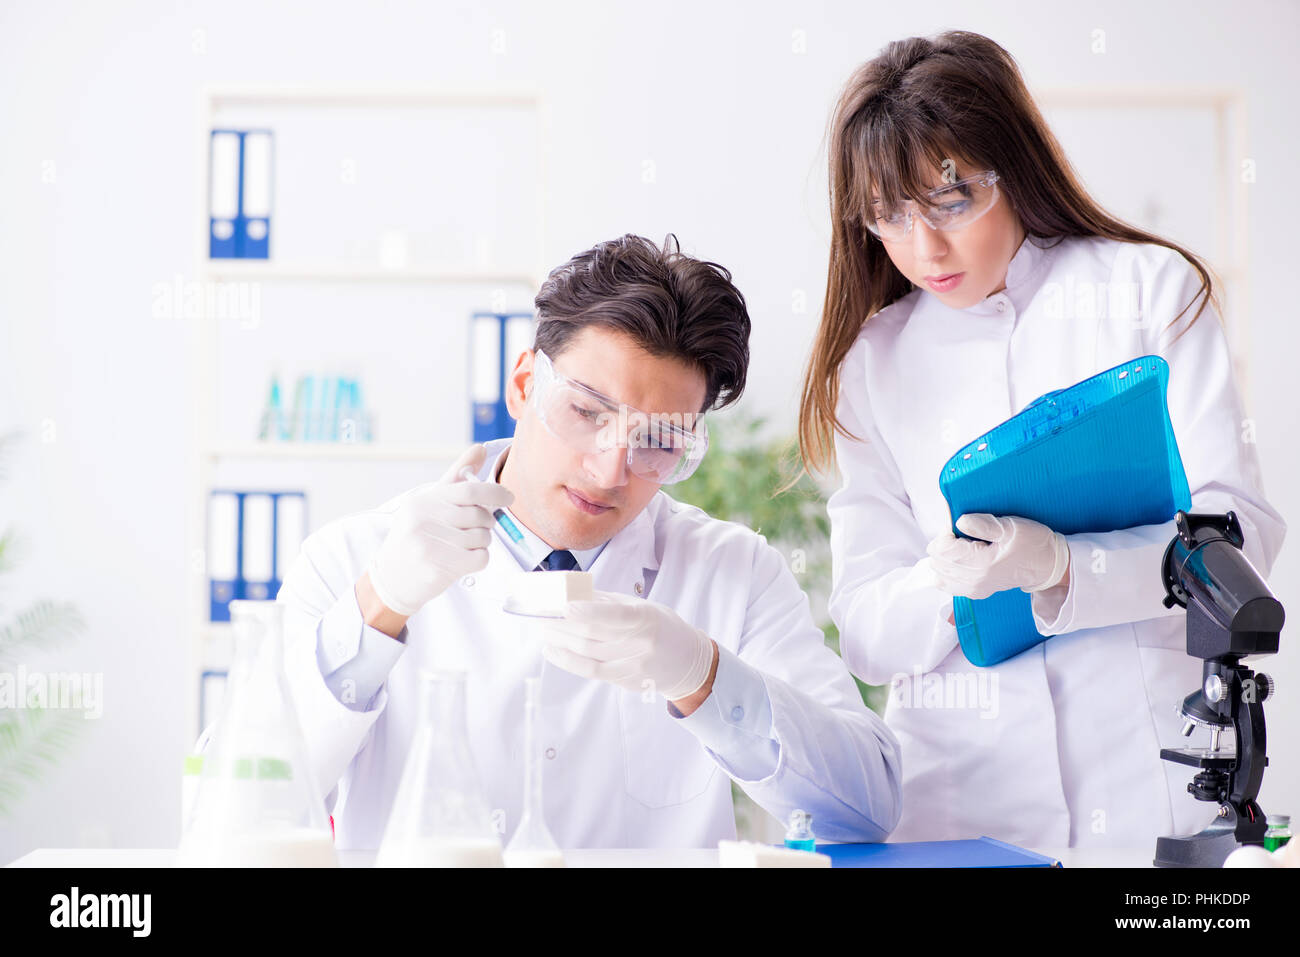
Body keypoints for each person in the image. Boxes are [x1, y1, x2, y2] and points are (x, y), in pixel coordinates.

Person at [796, 31, 1286, 848]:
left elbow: (1241, 534)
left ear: (1012, 165)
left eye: (952, 201)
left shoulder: (1149, 292)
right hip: (960, 796)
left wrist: (1067, 568)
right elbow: (868, 631)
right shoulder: (873, 362)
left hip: (1144, 779)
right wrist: (949, 583)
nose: (924, 250)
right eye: (888, 217)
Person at [275, 234, 901, 851]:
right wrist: (376, 610)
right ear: (523, 386)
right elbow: (252, 801)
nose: (610, 471)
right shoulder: (353, 559)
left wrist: (704, 676)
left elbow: (868, 806)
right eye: (587, 413)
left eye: (658, 440)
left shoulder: (734, 572)